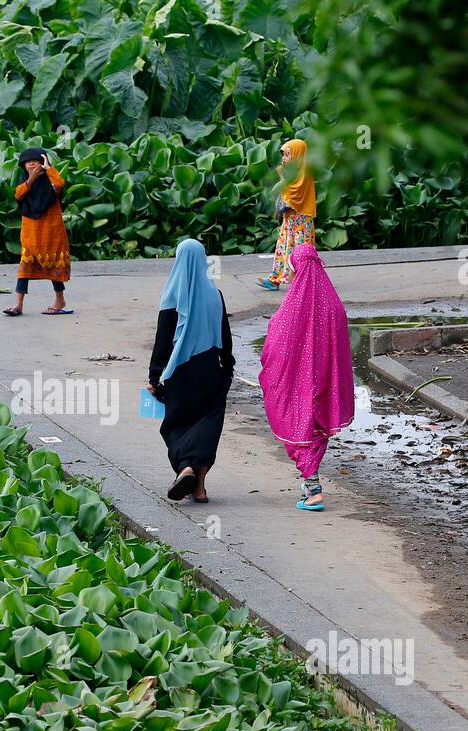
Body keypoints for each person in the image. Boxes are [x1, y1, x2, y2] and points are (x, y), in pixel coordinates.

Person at [258, 243, 355, 511]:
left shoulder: (293, 307)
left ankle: (313, 489)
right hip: (326, 383)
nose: (287, 276)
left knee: (296, 427)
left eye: (289, 269)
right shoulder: (333, 303)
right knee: (316, 431)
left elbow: (276, 345)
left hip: (299, 384)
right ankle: (311, 484)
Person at [148, 239, 234, 502]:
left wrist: (154, 375)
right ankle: (199, 488)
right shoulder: (214, 294)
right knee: (207, 425)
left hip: (179, 371)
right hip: (210, 368)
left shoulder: (171, 294)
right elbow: (224, 335)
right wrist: (227, 367)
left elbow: (163, 340)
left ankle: (185, 468)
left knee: (175, 424)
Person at [5, 147, 72, 316]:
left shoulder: (50, 181)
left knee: (54, 267)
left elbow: (59, 184)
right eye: (28, 162)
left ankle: (60, 300)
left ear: (43, 163)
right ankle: (18, 305)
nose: (31, 164)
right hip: (31, 234)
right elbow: (18, 194)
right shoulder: (24, 182)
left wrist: (49, 169)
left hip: (51, 232)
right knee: (24, 268)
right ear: (23, 165)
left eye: (35, 161)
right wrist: (32, 179)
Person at [258, 138, 316, 291]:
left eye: (288, 155)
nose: (284, 158)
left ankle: (302, 282)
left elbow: (288, 201)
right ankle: (275, 279)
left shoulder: (302, 176)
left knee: (300, 252)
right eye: (283, 154)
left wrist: (282, 178)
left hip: (301, 223)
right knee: (283, 248)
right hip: (289, 221)